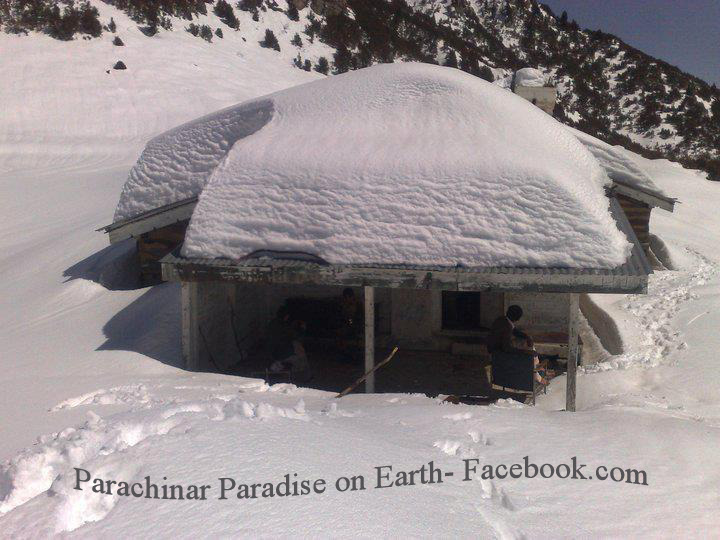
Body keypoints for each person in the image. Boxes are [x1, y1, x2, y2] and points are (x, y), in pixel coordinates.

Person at [487, 305, 548, 385]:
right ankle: (538, 377)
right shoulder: (506, 327)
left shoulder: (503, 320)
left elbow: (515, 331)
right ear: (517, 318)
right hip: (498, 354)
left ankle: (538, 369)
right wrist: (525, 352)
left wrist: (527, 337)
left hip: (497, 349)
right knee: (529, 356)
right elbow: (507, 348)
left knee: (530, 350)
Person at [266, 305, 310, 380]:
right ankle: (302, 377)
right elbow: (296, 336)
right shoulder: (284, 327)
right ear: (286, 316)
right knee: (301, 355)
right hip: (280, 353)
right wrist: (303, 328)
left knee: (296, 347)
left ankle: (282, 369)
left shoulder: (272, 323)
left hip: (270, 351)